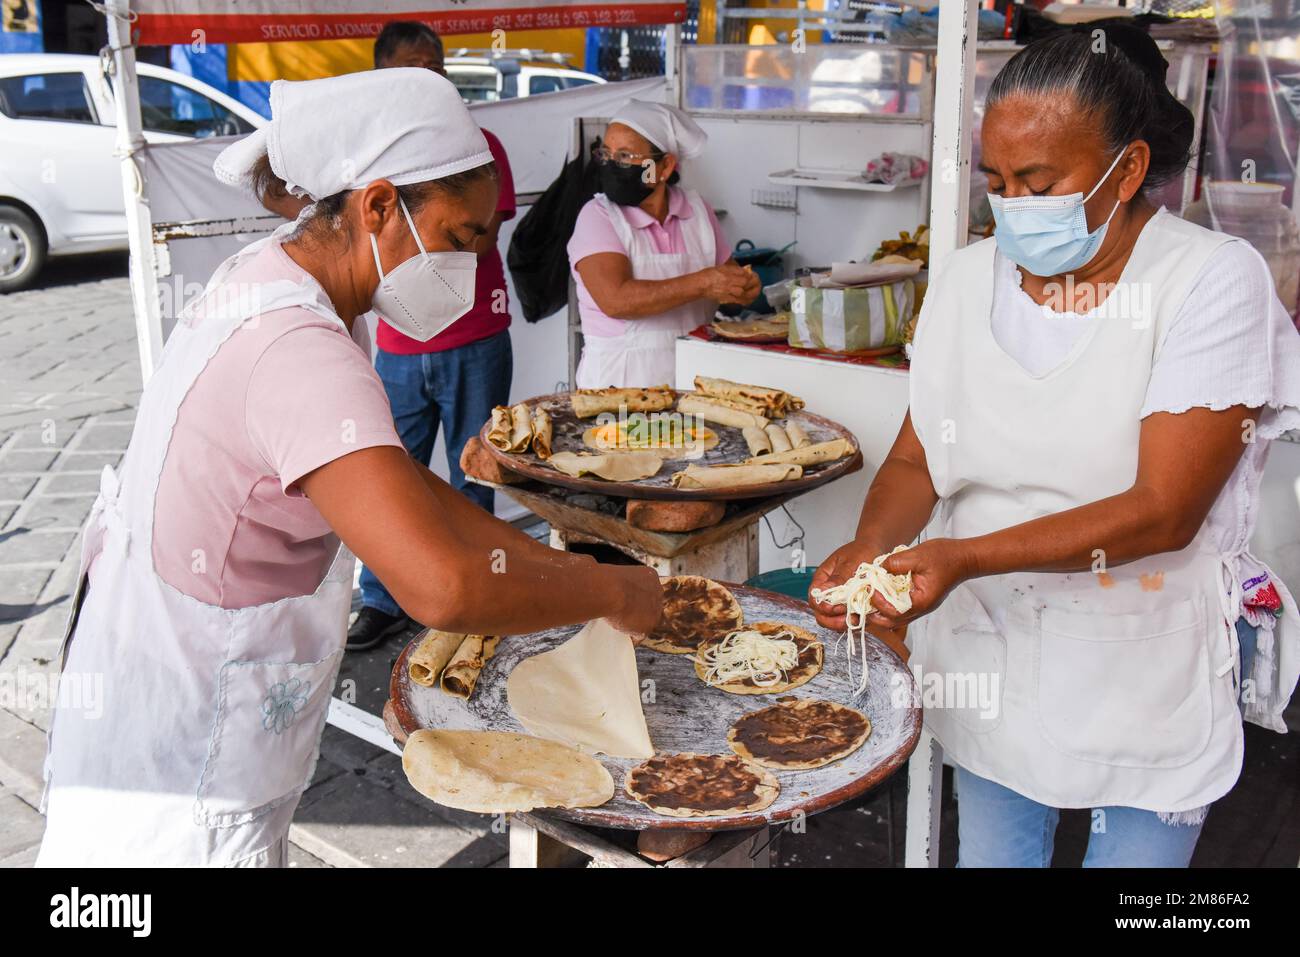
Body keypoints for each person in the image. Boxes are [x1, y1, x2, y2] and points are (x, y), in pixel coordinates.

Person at [35, 69, 662, 867]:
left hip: (153, 706)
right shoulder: (298, 351)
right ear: (377, 206)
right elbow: (443, 585)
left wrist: (559, 562)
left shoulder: (281, 278)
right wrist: (612, 592)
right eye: (463, 236)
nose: (475, 262)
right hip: (179, 770)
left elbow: (404, 486)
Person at [811, 25, 1300, 868]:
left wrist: (961, 557)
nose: (1012, 206)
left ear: (1130, 168)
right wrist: (870, 549)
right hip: (989, 661)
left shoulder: (1208, 282)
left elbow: (1163, 510)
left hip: (1140, 670)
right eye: (999, 182)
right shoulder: (966, 280)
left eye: (1038, 181)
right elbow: (917, 460)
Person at [567, 100, 760, 388]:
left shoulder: (697, 211)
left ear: (665, 166)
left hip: (693, 384)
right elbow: (616, 300)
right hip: (618, 388)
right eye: (605, 154)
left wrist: (742, 288)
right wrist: (705, 282)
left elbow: (726, 285)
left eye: (625, 156)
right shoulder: (597, 217)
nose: (610, 165)